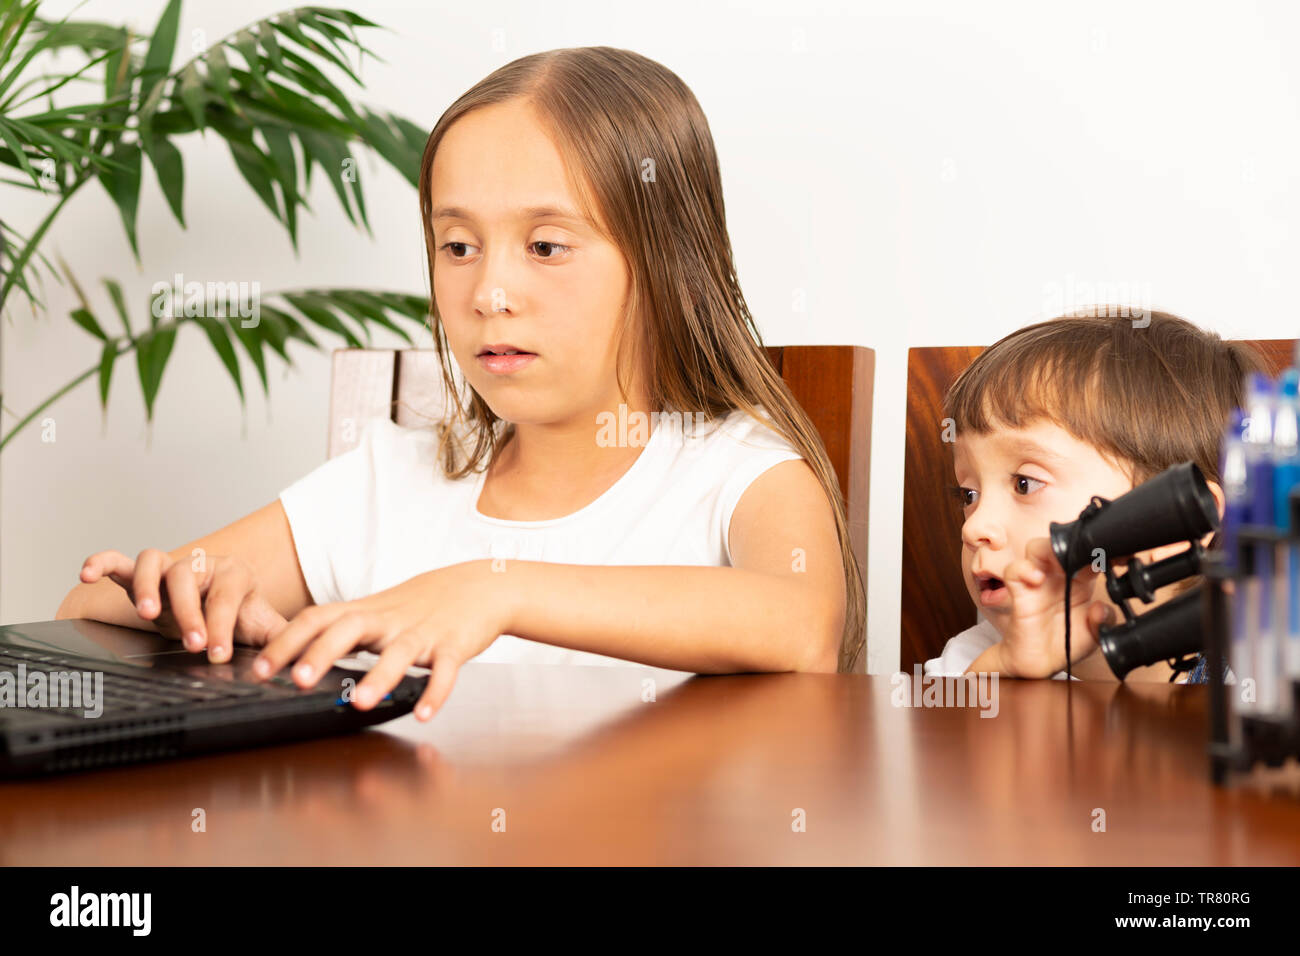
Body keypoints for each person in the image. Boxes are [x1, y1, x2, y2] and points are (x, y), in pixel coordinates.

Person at [58, 47, 865, 721]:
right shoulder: (389, 480)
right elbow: (84, 618)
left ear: (665, 264)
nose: (487, 293)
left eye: (546, 246)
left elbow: (800, 626)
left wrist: (496, 589)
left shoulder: (738, 475)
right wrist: (188, 606)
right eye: (457, 245)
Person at [923, 310, 1267, 682]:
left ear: (1178, 514)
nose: (975, 527)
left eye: (1025, 483)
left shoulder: (1257, 680)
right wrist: (1000, 674)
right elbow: (942, 741)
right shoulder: (972, 662)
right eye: (968, 494)